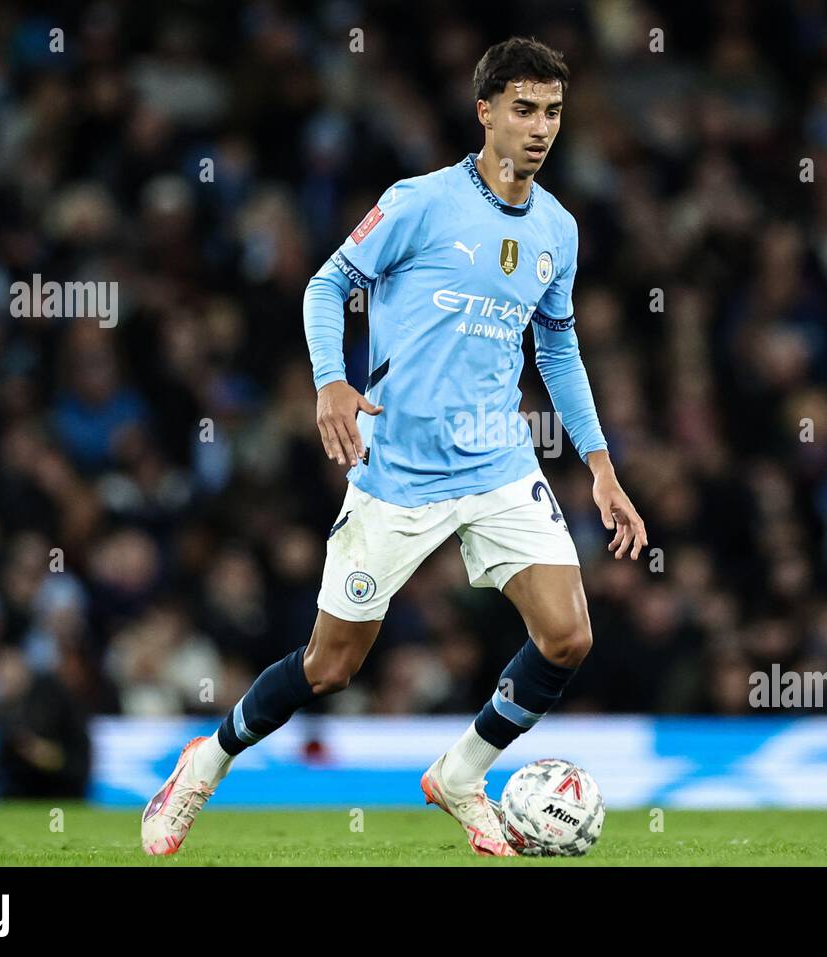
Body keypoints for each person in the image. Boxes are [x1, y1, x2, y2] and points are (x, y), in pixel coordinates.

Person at [141, 36, 646, 857]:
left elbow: (556, 348)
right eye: (524, 109)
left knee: (569, 636)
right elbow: (326, 283)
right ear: (485, 113)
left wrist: (600, 465)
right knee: (330, 664)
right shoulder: (420, 201)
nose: (541, 127)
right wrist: (329, 381)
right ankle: (206, 760)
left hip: (499, 464)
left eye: (553, 111)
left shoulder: (559, 227)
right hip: (398, 472)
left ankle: (459, 772)